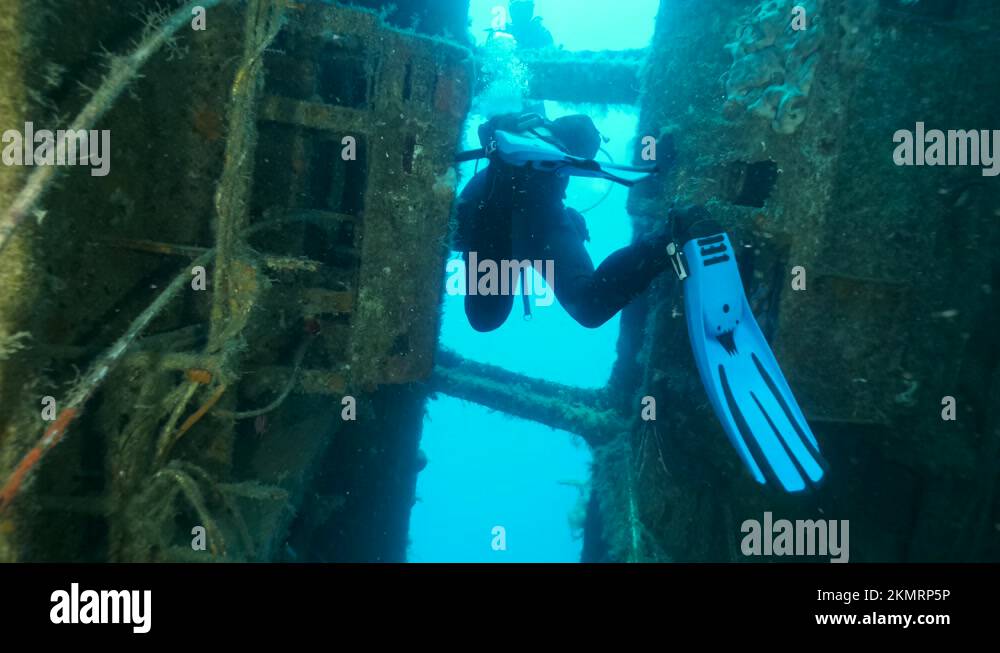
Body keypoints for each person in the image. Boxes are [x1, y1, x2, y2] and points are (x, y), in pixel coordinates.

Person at [453, 112, 691, 332]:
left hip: (499, 233)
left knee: (485, 319)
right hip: (536, 230)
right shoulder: (548, 161)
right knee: (588, 308)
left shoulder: (519, 144)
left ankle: (665, 242)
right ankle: (665, 241)